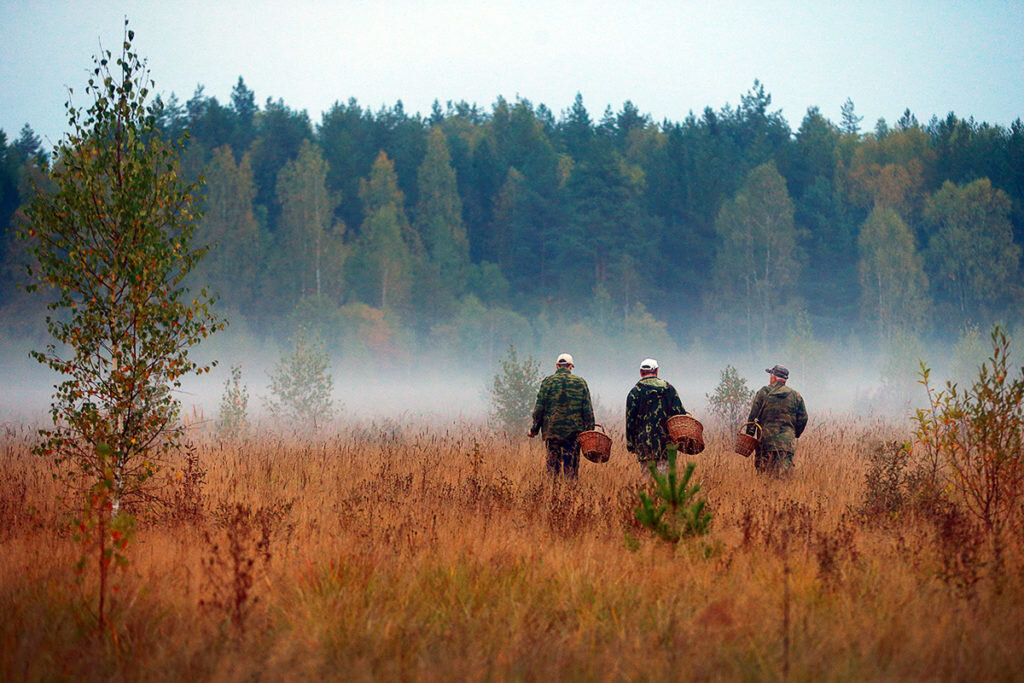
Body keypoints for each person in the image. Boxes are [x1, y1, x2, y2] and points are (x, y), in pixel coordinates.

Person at [528, 353, 595, 479]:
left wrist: (534, 430)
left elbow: (539, 409)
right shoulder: (580, 383)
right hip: (573, 434)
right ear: (570, 367)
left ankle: (553, 494)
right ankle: (570, 494)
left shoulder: (547, 382)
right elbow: (588, 411)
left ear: (557, 366)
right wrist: (589, 433)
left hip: (552, 433)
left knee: (553, 470)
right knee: (571, 470)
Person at [625, 358, 688, 472]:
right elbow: (680, 416)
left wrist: (631, 445)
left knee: (648, 483)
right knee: (664, 484)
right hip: (666, 447)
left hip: (644, 447)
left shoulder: (634, 392)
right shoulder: (668, 389)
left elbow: (630, 423)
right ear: (656, 371)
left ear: (641, 372)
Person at [746, 364, 808, 476]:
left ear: (774, 376)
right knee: (784, 478)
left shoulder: (763, 393)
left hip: (765, 442)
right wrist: (794, 434)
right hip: (786, 443)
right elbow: (803, 418)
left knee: (764, 476)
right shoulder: (795, 396)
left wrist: (749, 435)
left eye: (770, 375)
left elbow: (753, 417)